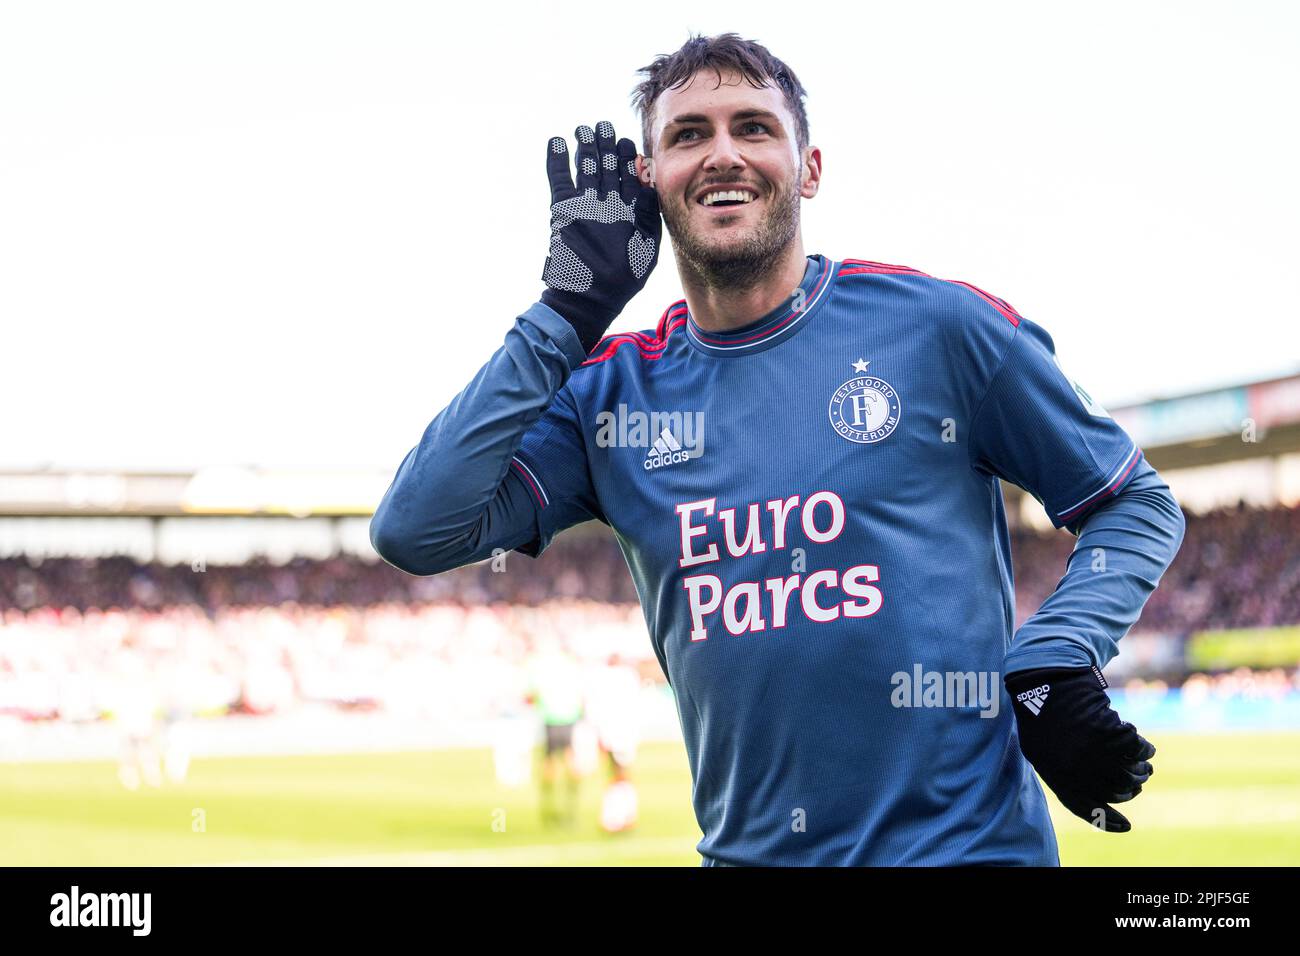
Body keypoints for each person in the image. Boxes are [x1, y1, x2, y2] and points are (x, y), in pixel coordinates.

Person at [370, 32, 1185, 865]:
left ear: (810, 168)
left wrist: (1057, 651)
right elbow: (416, 527)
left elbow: (1134, 500)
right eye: (688, 135)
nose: (723, 154)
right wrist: (566, 313)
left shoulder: (941, 329)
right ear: (649, 181)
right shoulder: (611, 397)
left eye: (753, 127)